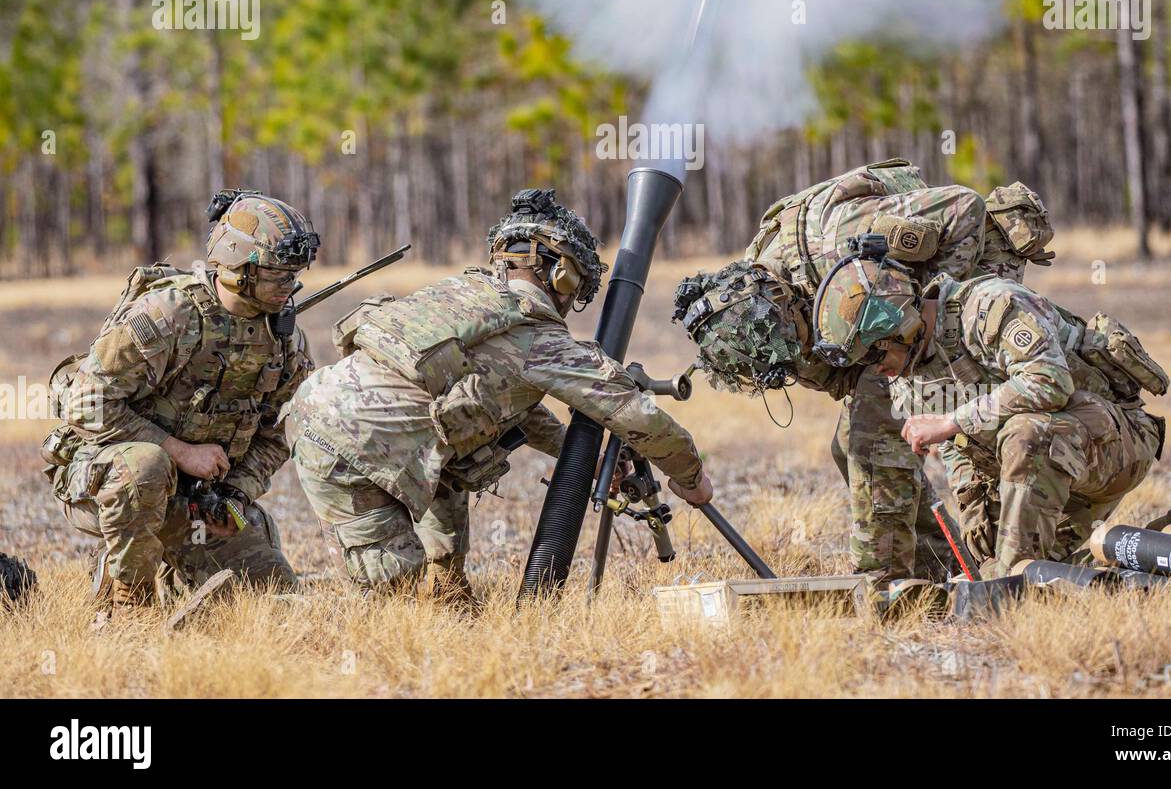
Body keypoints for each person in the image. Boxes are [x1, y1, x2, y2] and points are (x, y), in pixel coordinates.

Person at [287, 188, 711, 600]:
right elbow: (633, 413)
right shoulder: (537, 334)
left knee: (444, 565)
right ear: (562, 274)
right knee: (398, 596)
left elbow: (511, 403)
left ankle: (447, 592)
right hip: (347, 448)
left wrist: (580, 454)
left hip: (329, 420)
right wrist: (690, 476)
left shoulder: (461, 295)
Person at [674, 160, 1054, 584]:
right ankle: (940, 564)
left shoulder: (836, 236)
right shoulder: (758, 309)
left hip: (973, 277)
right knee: (849, 445)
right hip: (880, 323)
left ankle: (886, 581)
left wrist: (927, 309)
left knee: (870, 440)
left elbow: (965, 208)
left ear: (785, 303)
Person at [40, 190, 318, 624]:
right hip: (108, 477)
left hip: (196, 498)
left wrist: (235, 494)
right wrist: (180, 451)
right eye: (278, 276)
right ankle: (129, 604)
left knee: (272, 601)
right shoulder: (170, 315)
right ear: (239, 269)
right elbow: (86, 401)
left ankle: (171, 568)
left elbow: (278, 434)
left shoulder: (284, 340)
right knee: (145, 465)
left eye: (294, 276)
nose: (290, 287)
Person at [837, 259, 1166, 576]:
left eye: (876, 353)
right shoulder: (911, 371)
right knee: (999, 563)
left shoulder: (991, 306)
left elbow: (1050, 381)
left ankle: (1011, 592)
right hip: (1044, 469)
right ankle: (1159, 552)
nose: (876, 368)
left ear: (904, 326)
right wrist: (978, 523)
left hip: (1115, 444)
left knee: (1027, 435)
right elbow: (957, 449)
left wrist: (952, 421)